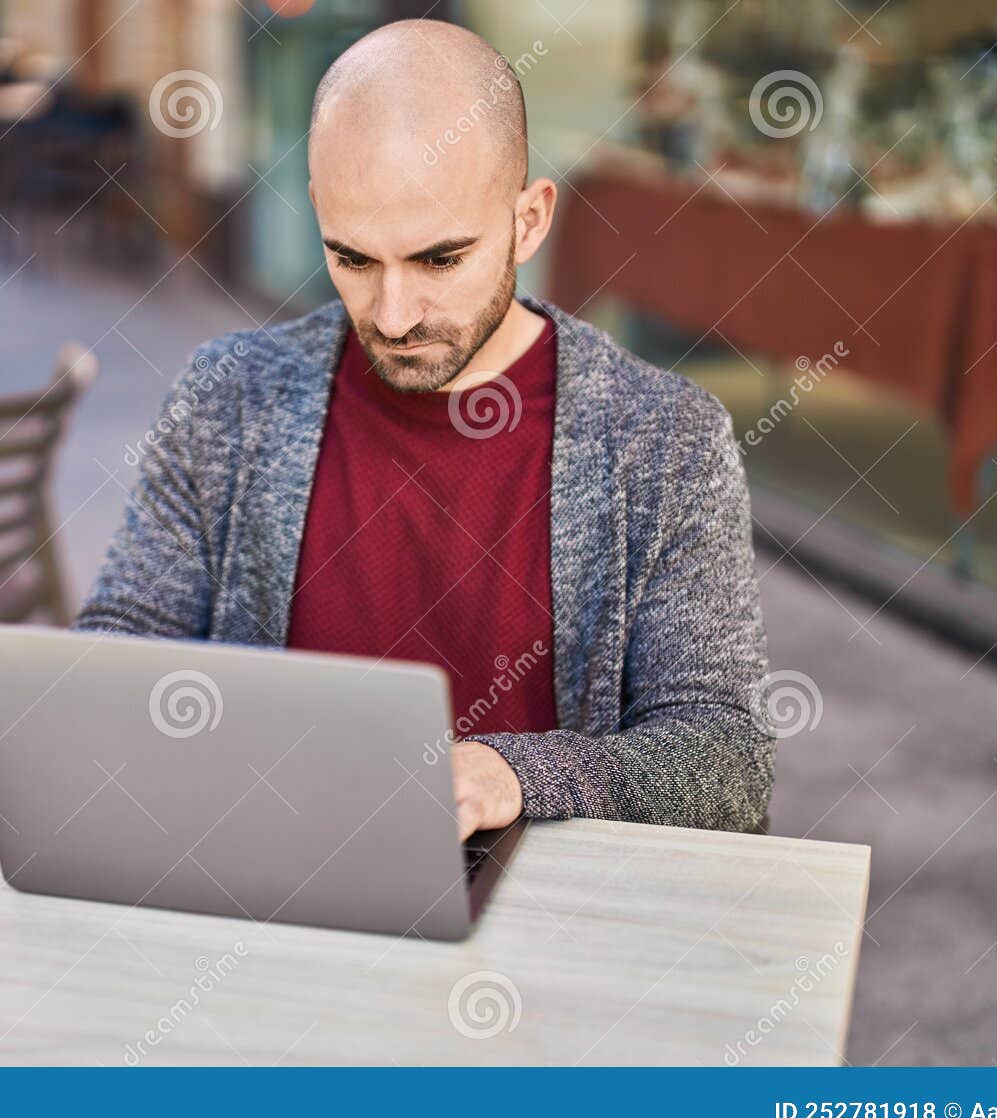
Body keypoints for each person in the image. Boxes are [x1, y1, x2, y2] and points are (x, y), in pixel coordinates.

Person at [78, 19, 774, 838]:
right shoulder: (227, 398)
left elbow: (728, 763)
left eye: (439, 260)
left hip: (542, 920)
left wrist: (516, 774)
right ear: (317, 210)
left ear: (529, 219)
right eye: (353, 259)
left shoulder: (665, 440)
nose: (394, 316)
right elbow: (119, 654)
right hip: (268, 884)